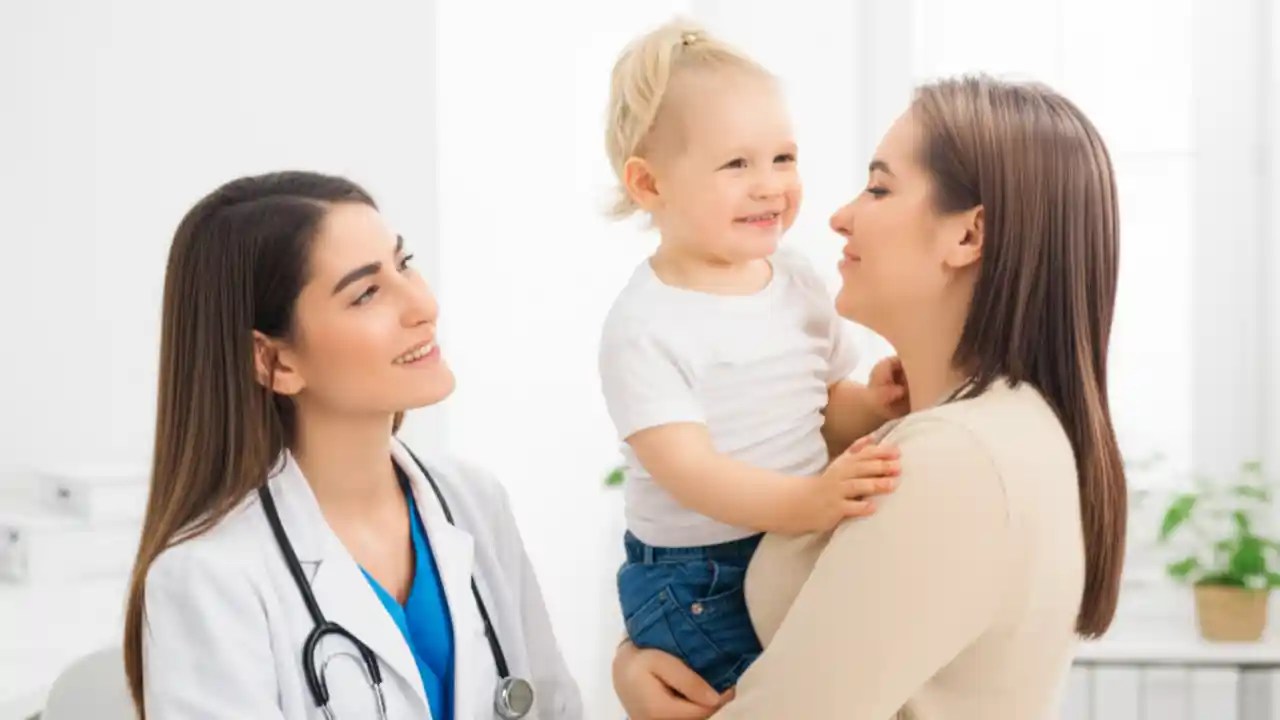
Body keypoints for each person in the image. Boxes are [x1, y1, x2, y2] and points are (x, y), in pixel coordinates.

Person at [613, 75, 1128, 720]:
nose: (839, 216)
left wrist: (637, 683)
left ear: (968, 236)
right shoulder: (986, 431)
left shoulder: (954, 461)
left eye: (879, 188)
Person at [122, 171, 583, 719]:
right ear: (274, 361)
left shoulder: (473, 502)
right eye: (366, 294)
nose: (422, 306)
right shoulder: (208, 579)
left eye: (404, 264)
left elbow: (558, 708)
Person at [597, 19, 909, 694]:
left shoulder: (796, 278)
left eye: (783, 158)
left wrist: (875, 404)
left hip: (792, 534)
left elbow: (823, 408)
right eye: (737, 164)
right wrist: (810, 502)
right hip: (700, 577)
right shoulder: (646, 324)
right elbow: (693, 474)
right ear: (649, 184)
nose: (770, 185)